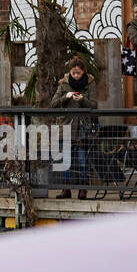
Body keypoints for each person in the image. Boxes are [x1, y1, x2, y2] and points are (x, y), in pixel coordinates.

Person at [49, 56, 98, 199]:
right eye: (73, 73)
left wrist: (82, 100)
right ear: (70, 71)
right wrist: (66, 97)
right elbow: (53, 104)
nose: (76, 76)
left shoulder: (90, 82)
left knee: (82, 160)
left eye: (78, 73)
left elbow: (94, 105)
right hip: (66, 126)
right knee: (66, 160)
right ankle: (66, 189)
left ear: (83, 71)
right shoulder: (63, 83)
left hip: (83, 127)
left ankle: (83, 189)